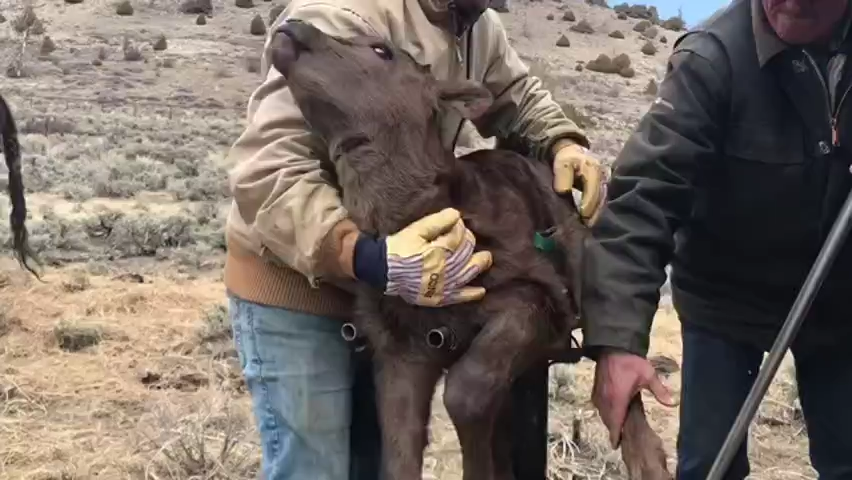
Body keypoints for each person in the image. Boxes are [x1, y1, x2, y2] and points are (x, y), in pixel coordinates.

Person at [222, 0, 609, 478]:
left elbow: (514, 93)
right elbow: (270, 170)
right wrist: (363, 256)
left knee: (373, 466)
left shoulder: (473, 24)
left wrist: (561, 141)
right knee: (314, 467)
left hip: (392, 287)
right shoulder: (345, 15)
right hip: (299, 286)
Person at [582, 0, 852, 478]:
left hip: (837, 295)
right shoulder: (712, 59)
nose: (788, 5)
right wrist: (617, 340)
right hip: (724, 297)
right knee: (711, 466)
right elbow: (645, 198)